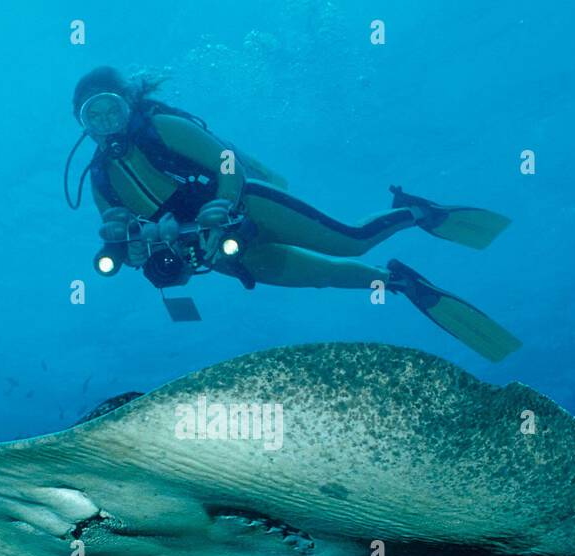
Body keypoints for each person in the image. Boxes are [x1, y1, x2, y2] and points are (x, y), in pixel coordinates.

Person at [64, 67, 521, 361]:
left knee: (350, 241)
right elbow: (120, 233)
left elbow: (228, 163)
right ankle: (399, 281)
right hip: (219, 251)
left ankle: (413, 212)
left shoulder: (162, 128)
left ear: (128, 105)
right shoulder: (101, 178)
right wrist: (134, 245)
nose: (106, 122)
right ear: (82, 125)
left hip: (249, 207)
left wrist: (223, 203)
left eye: (112, 108)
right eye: (93, 116)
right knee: (325, 275)